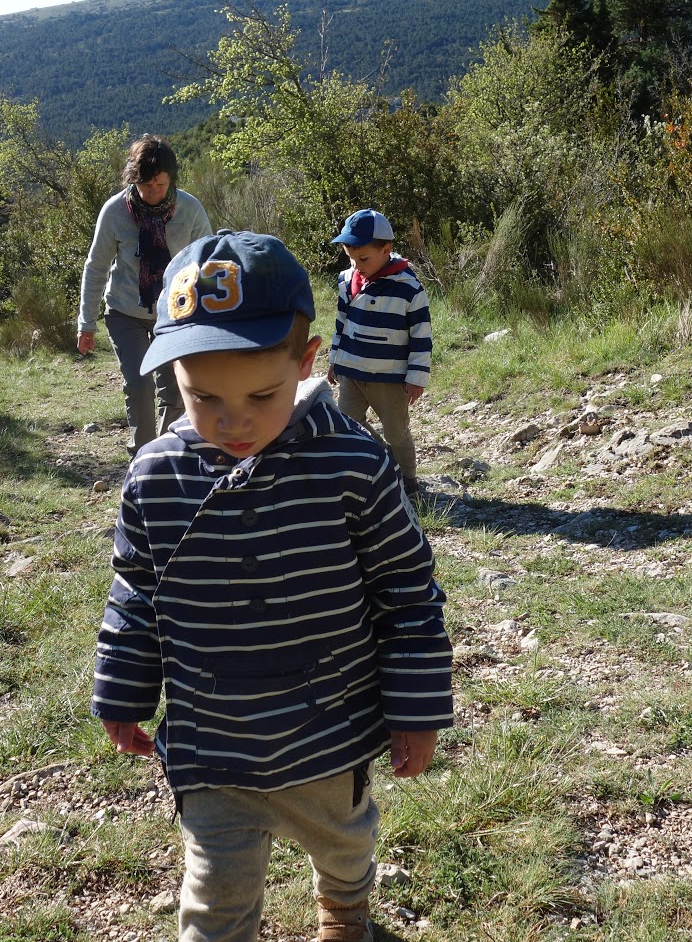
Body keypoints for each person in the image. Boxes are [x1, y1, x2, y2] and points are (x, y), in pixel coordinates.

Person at [91, 231, 454, 942]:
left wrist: (417, 711)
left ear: (305, 360)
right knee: (214, 900)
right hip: (211, 746)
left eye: (262, 393)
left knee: (346, 850)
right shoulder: (156, 478)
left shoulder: (352, 462)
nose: (234, 420)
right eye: (204, 397)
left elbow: (406, 590)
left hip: (328, 733)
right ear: (173, 376)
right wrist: (124, 692)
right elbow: (135, 593)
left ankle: (344, 917)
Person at [78, 134, 212, 455]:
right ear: (133, 180)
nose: (152, 193)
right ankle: (142, 455)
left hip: (176, 311)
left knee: (177, 389)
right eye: (145, 186)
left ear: (171, 181)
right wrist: (86, 323)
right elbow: (96, 266)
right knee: (139, 386)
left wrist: (209, 317)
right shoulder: (115, 212)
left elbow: (207, 263)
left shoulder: (190, 210)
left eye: (160, 185)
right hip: (125, 311)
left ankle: (164, 454)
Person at [325, 209, 433, 497]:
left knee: (396, 432)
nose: (356, 265)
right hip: (351, 371)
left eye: (363, 259)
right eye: (350, 258)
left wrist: (417, 376)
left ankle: (408, 480)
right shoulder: (346, 281)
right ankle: (381, 461)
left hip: (390, 377)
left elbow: (421, 335)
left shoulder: (408, 288)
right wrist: (335, 359)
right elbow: (341, 324)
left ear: (386, 250)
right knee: (347, 424)